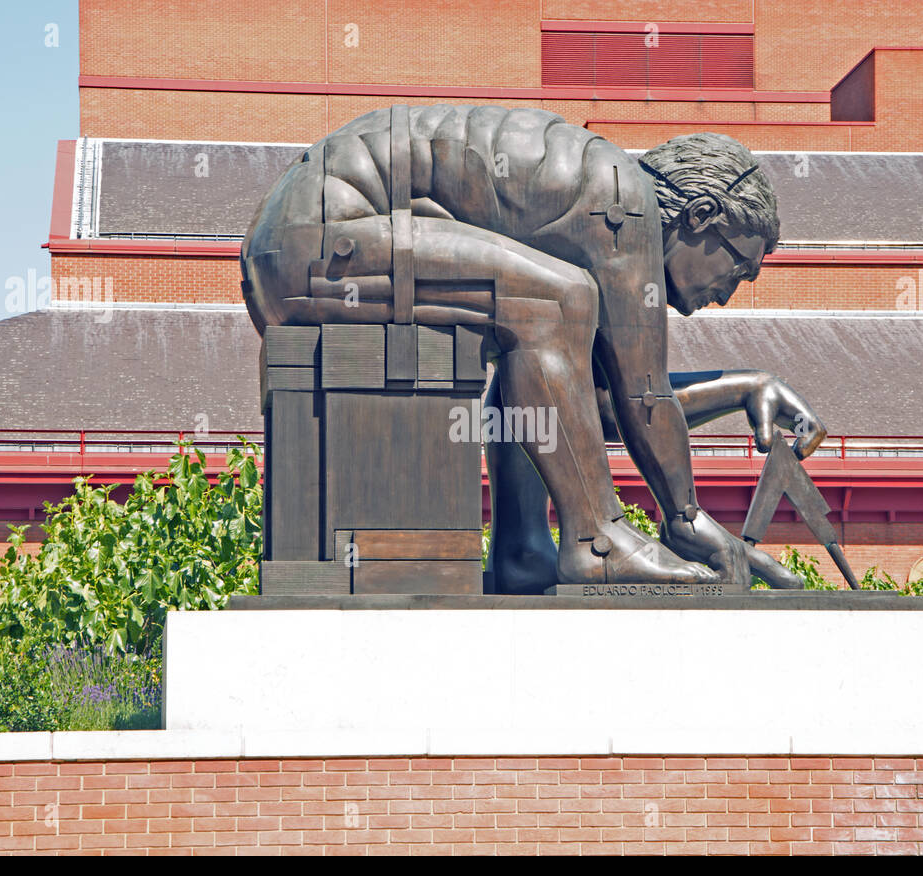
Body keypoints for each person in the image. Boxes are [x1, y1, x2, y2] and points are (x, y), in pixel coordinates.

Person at [241, 104, 824, 589]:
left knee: (539, 323)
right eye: (737, 269)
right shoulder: (626, 202)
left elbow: (587, 407)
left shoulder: (602, 194)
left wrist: (747, 388)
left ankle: (522, 547)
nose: (725, 295)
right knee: (555, 302)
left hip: (300, 244)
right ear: (701, 215)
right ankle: (597, 540)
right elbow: (642, 398)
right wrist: (685, 517)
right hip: (319, 241)